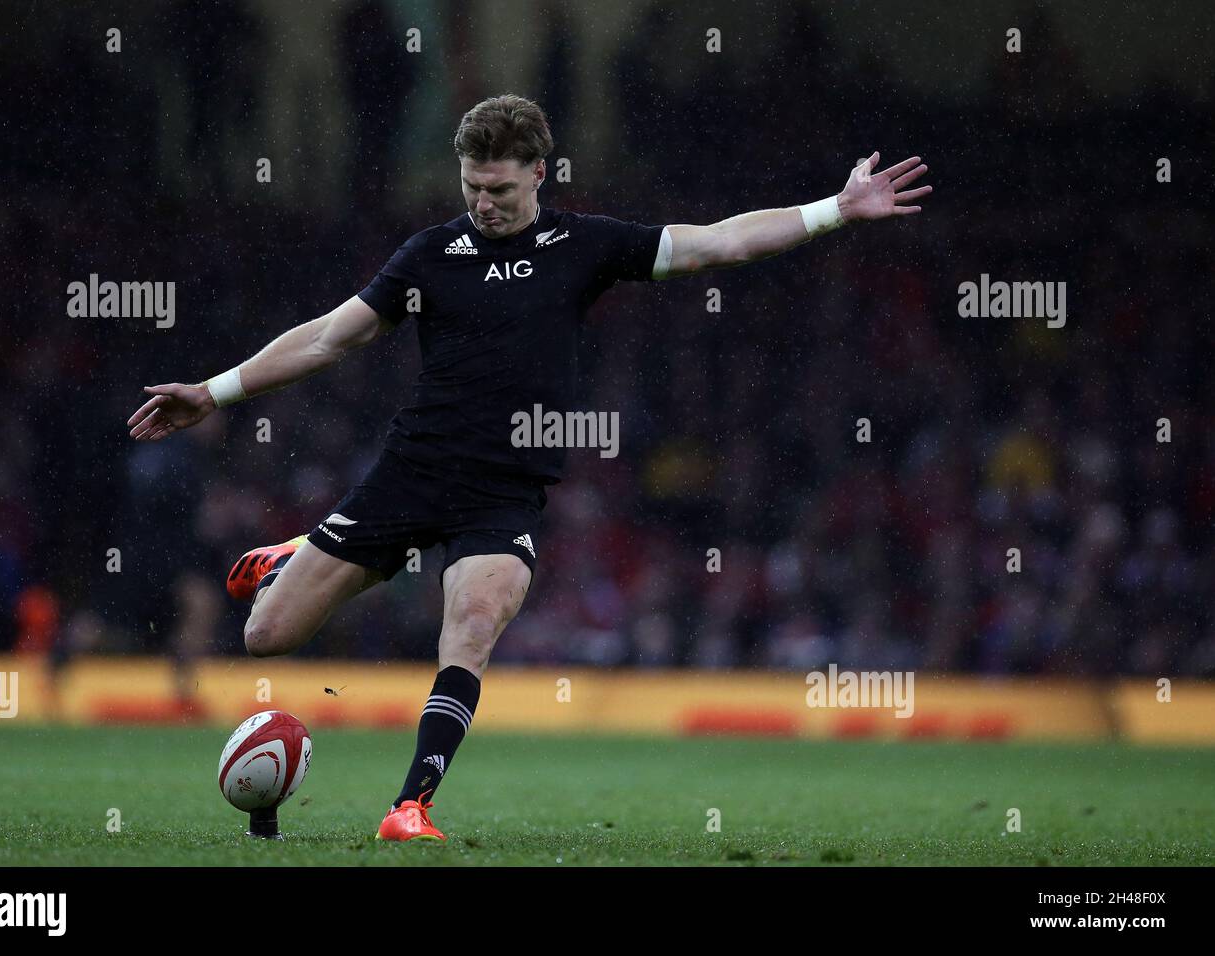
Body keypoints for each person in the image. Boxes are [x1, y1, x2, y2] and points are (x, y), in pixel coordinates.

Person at [126, 93, 931, 841]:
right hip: (410, 473)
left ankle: (409, 807)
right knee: (267, 636)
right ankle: (297, 556)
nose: (483, 203)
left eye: (500, 189)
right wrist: (213, 390)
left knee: (472, 625)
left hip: (502, 494)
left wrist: (836, 210)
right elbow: (331, 336)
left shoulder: (584, 245)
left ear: (540, 174)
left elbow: (717, 242)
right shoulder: (431, 254)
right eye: (473, 186)